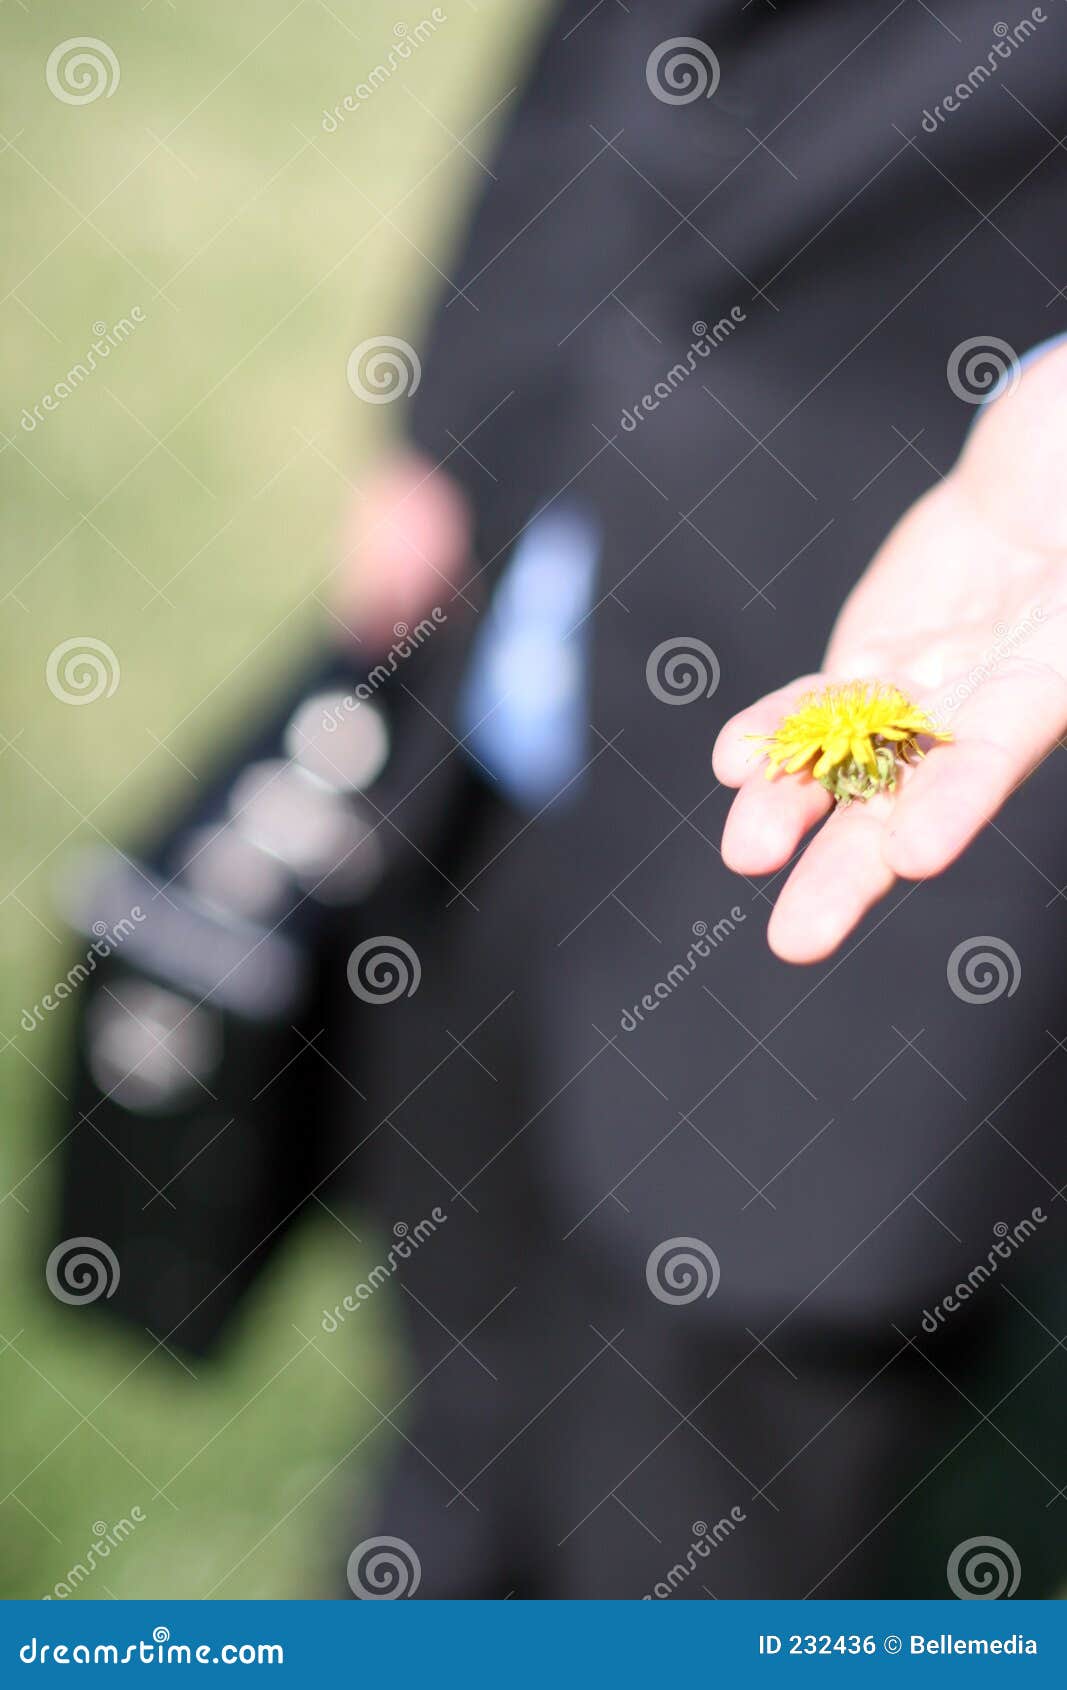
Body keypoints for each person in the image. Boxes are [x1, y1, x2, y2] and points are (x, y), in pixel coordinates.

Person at [333, 0, 1067, 1598]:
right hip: (524, 688)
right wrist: (448, 417)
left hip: (902, 743)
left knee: (711, 1523)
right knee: (448, 1409)